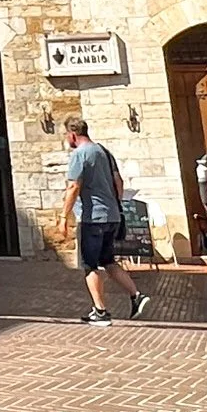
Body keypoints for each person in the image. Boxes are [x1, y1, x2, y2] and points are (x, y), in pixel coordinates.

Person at [56, 116, 150, 325]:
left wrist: (64, 216)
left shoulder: (80, 154)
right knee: (108, 260)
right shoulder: (104, 152)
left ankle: (100, 311)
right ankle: (136, 295)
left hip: (92, 217)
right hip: (112, 216)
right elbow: (119, 181)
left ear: (72, 134)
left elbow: (73, 186)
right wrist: (115, 204)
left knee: (90, 265)